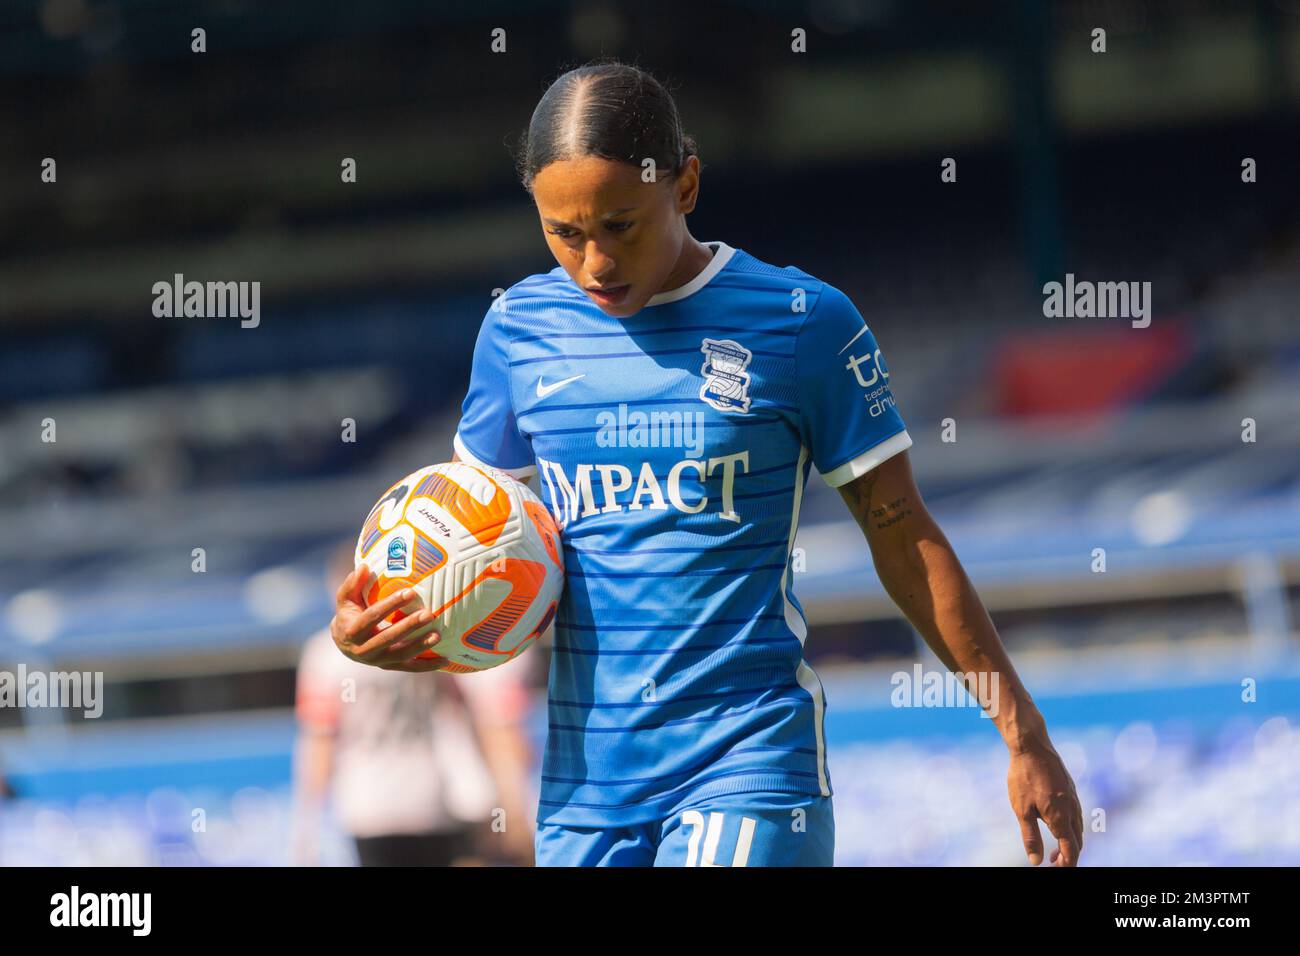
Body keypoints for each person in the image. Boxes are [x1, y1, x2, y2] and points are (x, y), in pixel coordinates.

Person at [329, 60, 1083, 867]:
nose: (595, 263)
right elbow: (477, 546)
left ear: (685, 185)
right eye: (565, 232)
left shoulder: (801, 323)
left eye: (621, 225)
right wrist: (394, 619)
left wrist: (1021, 730)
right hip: (588, 785)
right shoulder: (517, 330)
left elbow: (903, 536)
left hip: (750, 760)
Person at [296, 543, 535, 866]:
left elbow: (319, 740)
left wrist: (306, 825)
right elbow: (492, 720)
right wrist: (509, 800)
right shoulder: (431, 635)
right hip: (436, 798)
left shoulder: (323, 654)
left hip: (370, 805)